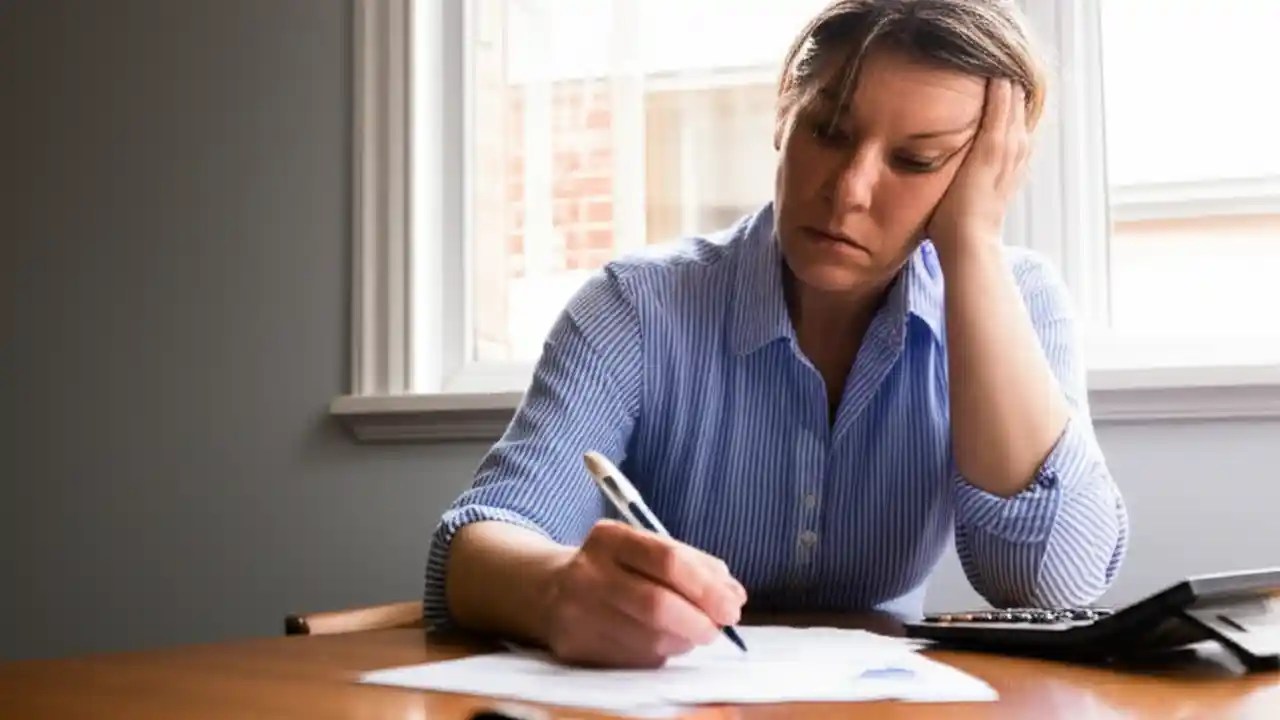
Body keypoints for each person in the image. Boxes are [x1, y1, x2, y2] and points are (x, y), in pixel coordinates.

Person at [424, 0, 1128, 669]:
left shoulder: (1017, 301)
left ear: (983, 176)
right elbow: (474, 547)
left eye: (915, 162)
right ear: (784, 113)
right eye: (830, 131)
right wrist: (559, 590)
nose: (849, 190)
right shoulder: (637, 306)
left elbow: (1052, 585)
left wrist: (971, 242)